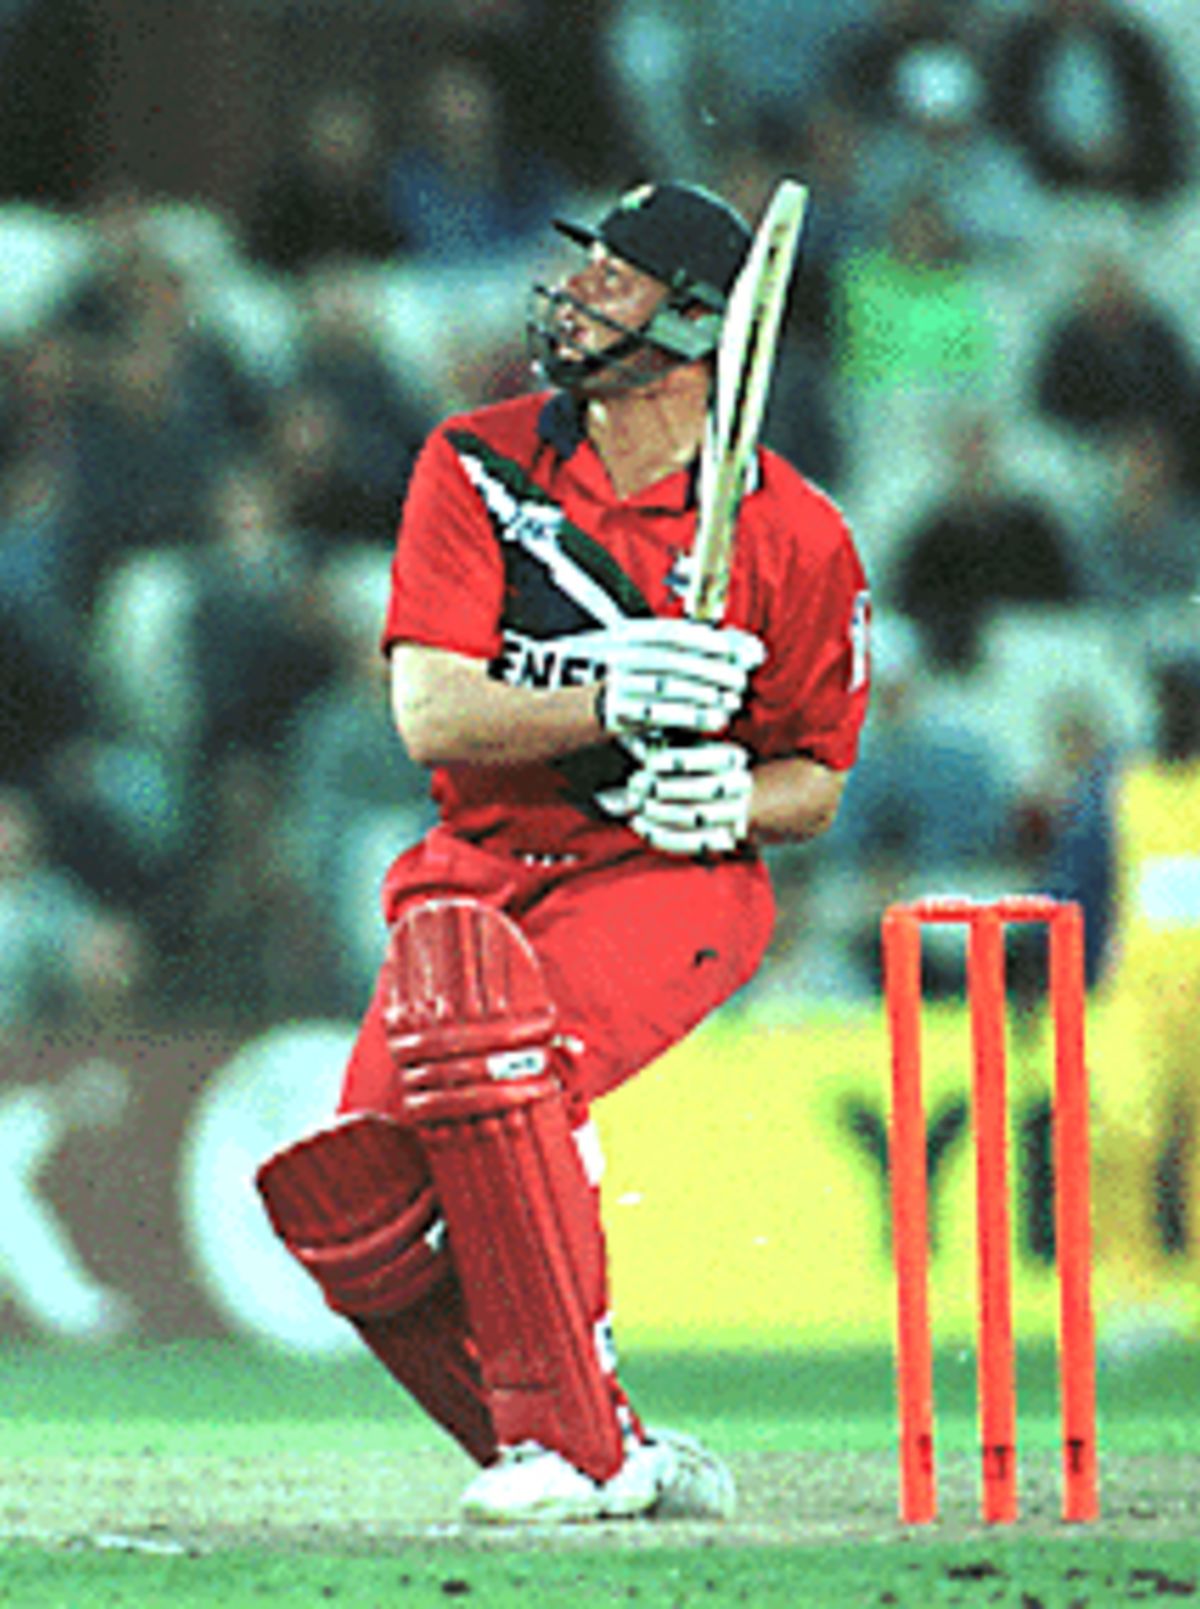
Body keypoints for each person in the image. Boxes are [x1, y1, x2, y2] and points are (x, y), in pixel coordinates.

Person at [254, 182, 871, 1525]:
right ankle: (615, 1447)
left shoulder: (795, 531)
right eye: (583, 265)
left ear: (702, 324)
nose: (578, 292)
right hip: (476, 868)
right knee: (352, 1215)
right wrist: (614, 696)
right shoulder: (475, 463)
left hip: (666, 877)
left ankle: (558, 1446)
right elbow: (432, 708)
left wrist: (728, 795)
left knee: (503, 1058)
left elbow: (815, 778)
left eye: (616, 274)